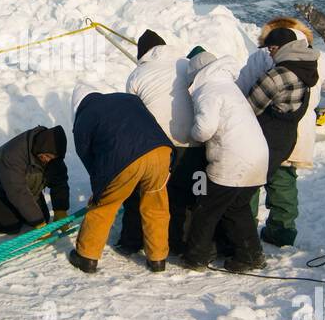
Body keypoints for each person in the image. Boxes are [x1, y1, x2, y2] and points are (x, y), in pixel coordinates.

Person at [238, 22, 325, 247]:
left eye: (272, 47)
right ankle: (283, 230)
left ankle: (246, 228)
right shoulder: (315, 61)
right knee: (284, 182)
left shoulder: (267, 64)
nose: (270, 51)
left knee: (251, 181)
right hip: (299, 129)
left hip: (269, 130)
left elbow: (246, 95)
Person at [69, 85, 173, 273]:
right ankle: (158, 259)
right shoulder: (127, 99)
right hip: (161, 150)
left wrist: (100, 191)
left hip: (126, 159)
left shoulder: (83, 119)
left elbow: (90, 161)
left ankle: (87, 257)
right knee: (156, 207)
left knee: (105, 206)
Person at [183, 49, 270, 271]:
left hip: (234, 160)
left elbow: (205, 129)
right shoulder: (229, 87)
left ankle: (196, 257)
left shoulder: (208, 90)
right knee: (237, 208)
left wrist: (191, 134)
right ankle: (250, 255)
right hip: (258, 157)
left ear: (196, 75)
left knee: (206, 208)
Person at [120, 29, 204, 256]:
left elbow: (133, 115)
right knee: (187, 196)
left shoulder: (137, 74)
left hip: (158, 146)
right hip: (195, 143)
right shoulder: (186, 64)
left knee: (146, 193)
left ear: (142, 54)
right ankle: (181, 242)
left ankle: (133, 240)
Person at [0, 125, 70, 233]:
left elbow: (59, 180)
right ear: (40, 148)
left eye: (52, 158)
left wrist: (60, 209)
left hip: (26, 185)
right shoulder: (14, 154)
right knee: (12, 226)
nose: (48, 160)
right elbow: (17, 191)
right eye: (47, 156)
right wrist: (37, 221)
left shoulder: (52, 154)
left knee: (43, 218)